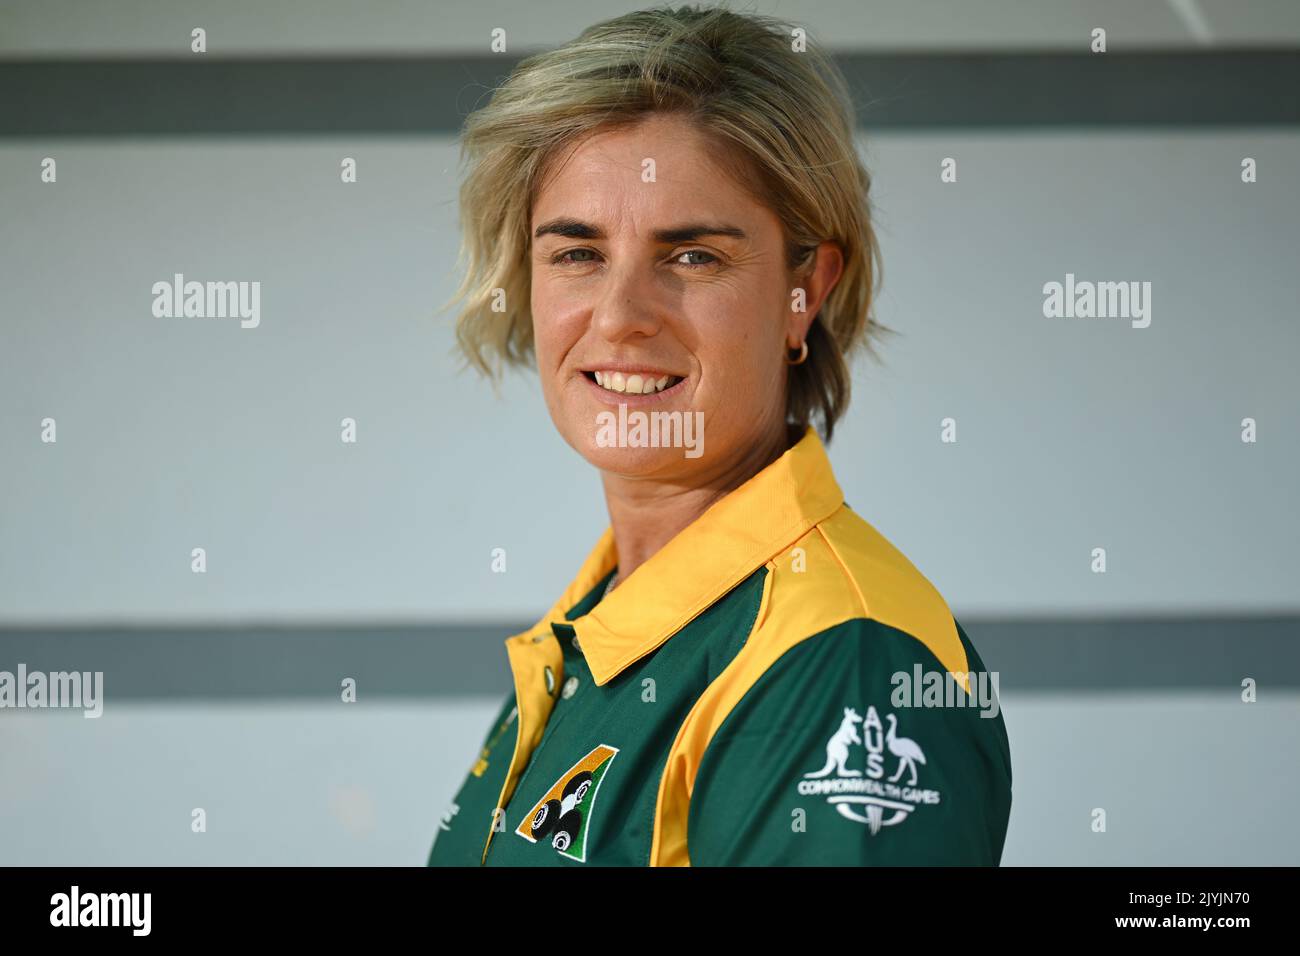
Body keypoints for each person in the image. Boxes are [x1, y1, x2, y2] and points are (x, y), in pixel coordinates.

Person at [427, 4, 1011, 866]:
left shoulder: (845, 662)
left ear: (804, 289)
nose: (621, 318)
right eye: (577, 253)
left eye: (692, 255)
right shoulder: (595, 623)